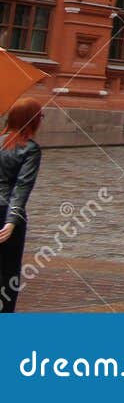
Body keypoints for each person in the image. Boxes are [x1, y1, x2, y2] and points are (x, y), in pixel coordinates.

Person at [0, 99, 44, 312]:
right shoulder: (30, 149)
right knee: (8, 273)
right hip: (7, 214)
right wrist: (12, 220)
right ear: (32, 120)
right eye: (40, 117)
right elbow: (22, 186)